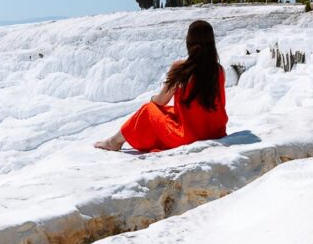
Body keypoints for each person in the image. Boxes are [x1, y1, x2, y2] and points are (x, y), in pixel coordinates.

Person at [94, 19, 227, 151]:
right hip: (215, 132)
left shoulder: (181, 68)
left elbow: (161, 100)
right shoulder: (219, 71)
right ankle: (118, 141)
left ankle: (114, 142)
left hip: (188, 136)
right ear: (212, 44)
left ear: (188, 42)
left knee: (147, 109)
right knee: (170, 111)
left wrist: (152, 99)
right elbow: (220, 104)